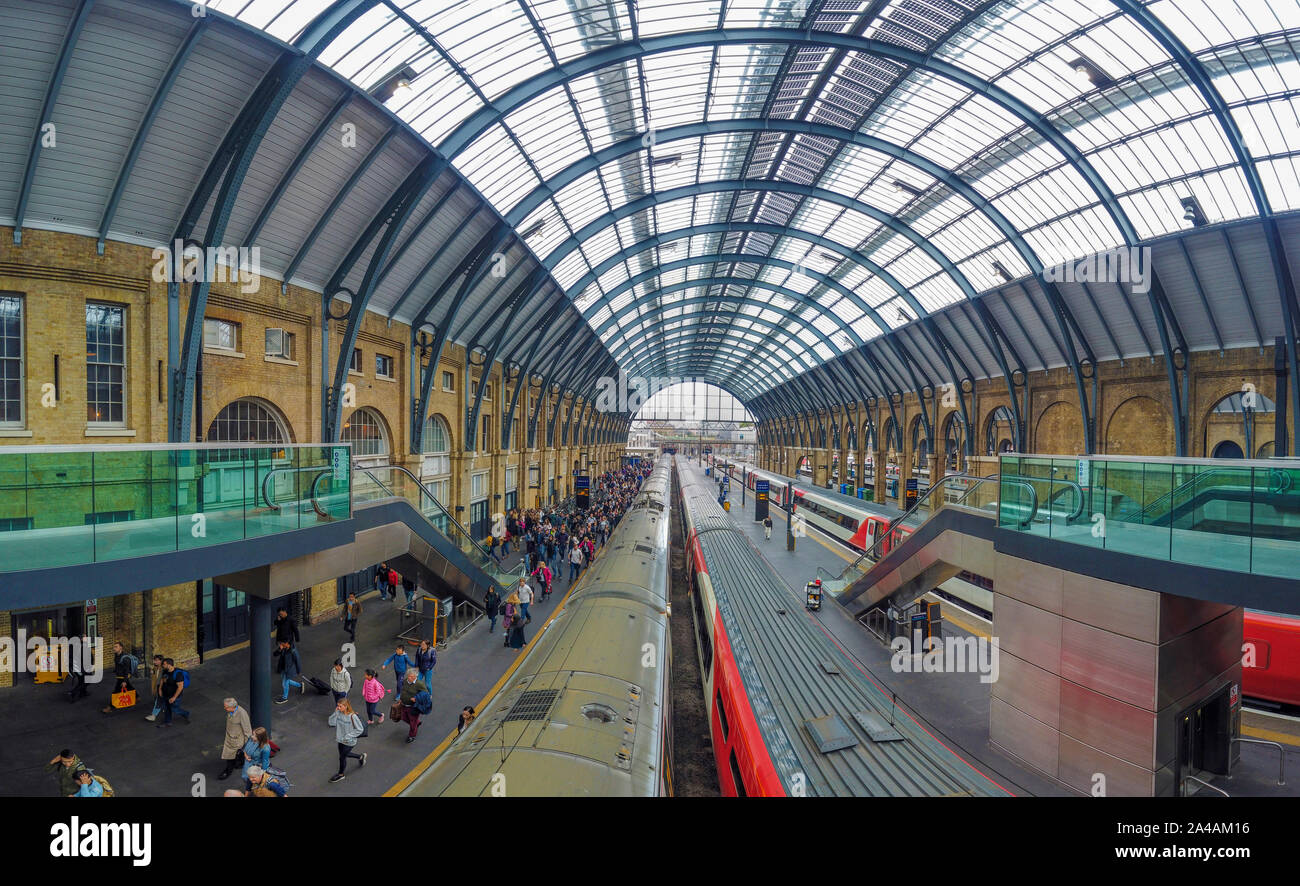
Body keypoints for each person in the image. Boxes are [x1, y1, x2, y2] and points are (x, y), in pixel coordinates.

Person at [327, 698, 367, 782]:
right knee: (344, 754)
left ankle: (341, 774)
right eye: (337, 706)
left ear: (346, 706)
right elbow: (331, 723)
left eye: (340, 706)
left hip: (349, 741)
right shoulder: (338, 714)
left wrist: (348, 736)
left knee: (342, 757)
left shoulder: (353, 716)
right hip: (340, 740)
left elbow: (360, 729)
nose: (338, 708)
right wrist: (335, 713)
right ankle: (360, 756)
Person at [219, 697, 252, 780]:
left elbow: (247, 730)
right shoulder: (231, 711)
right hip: (230, 737)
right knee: (235, 754)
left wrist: (245, 743)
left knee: (229, 757)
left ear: (232, 707)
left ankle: (228, 771)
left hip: (236, 740)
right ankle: (240, 762)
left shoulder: (242, 714)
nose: (224, 708)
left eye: (226, 707)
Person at [101, 642, 136, 714]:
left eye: (116, 647)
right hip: (119, 675)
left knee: (116, 691)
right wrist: (116, 670)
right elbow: (118, 665)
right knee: (129, 686)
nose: (114, 648)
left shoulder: (125, 658)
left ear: (121, 648)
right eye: (114, 647)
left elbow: (126, 671)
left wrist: (124, 681)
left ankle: (110, 707)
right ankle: (137, 697)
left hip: (123, 677)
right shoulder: (116, 655)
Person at [398, 669, 429, 744]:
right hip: (404, 704)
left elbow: (425, 694)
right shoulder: (405, 681)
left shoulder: (419, 684)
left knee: (412, 723)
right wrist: (401, 699)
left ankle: (412, 736)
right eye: (411, 677)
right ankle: (417, 723)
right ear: (408, 676)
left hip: (413, 707)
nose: (413, 678)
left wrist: (416, 698)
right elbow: (403, 690)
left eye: (414, 677)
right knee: (403, 718)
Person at [158, 658, 191, 726]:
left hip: (174, 695)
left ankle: (185, 713)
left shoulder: (178, 674)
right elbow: (162, 680)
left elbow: (180, 687)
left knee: (174, 709)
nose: (162, 665)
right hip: (166, 694)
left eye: (164, 664)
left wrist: (174, 697)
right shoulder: (165, 671)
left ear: (169, 665)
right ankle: (168, 722)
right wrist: (160, 689)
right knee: (167, 707)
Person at [144, 654, 165, 721]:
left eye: (156, 660)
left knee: (158, 701)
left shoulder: (164, 669)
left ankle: (153, 715)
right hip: (156, 688)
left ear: (161, 661)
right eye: (154, 660)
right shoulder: (155, 668)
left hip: (162, 688)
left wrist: (161, 689)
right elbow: (154, 679)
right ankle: (166, 708)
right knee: (161, 700)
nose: (154, 662)